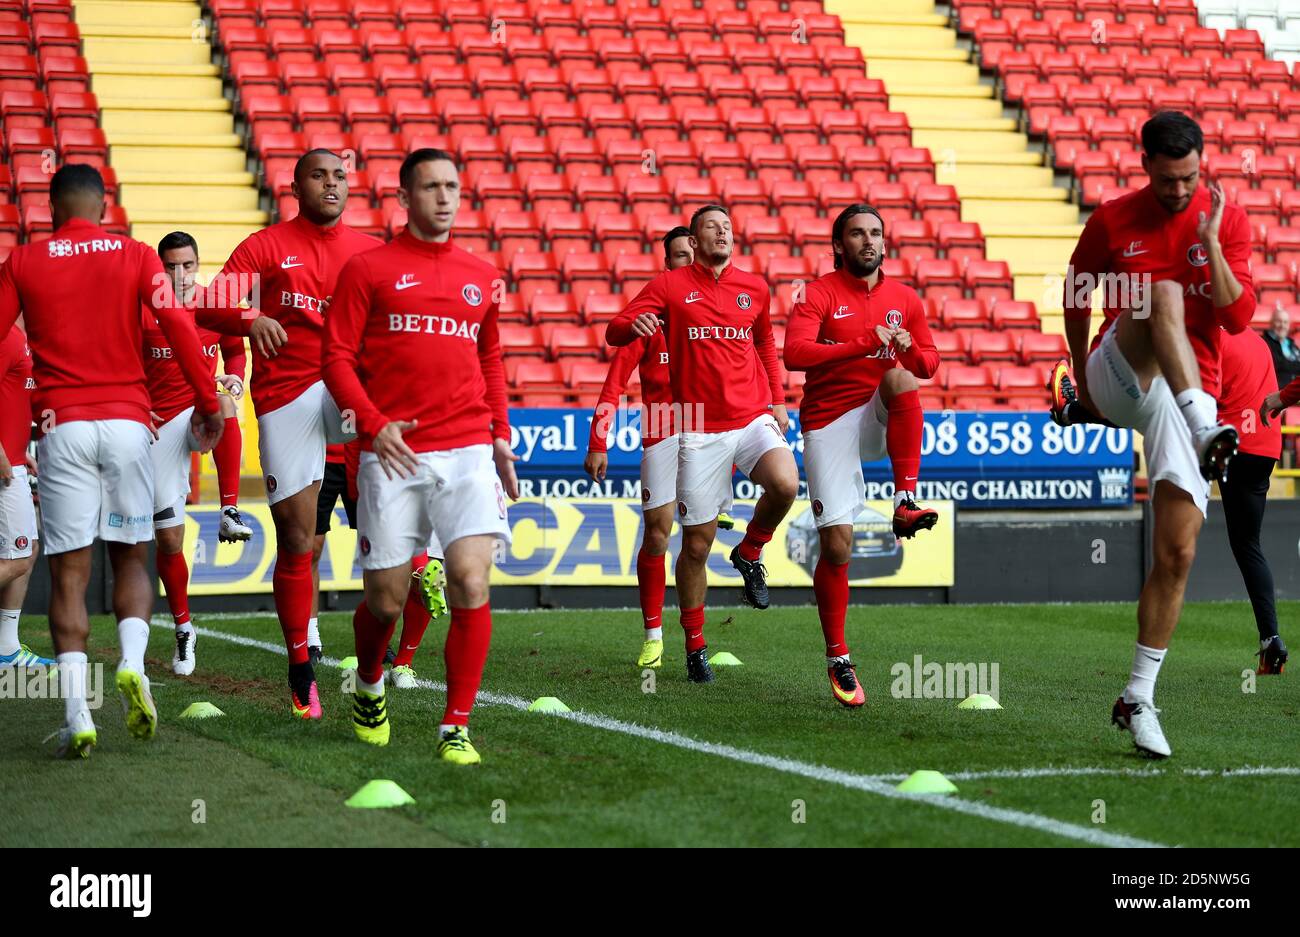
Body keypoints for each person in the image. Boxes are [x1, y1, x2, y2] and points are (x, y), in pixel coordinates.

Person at [0, 164, 226, 758]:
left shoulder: (24, 261)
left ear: (52, 208)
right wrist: (210, 402)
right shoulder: (134, 255)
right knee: (133, 554)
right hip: (130, 423)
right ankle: (132, 664)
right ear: (104, 208)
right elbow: (179, 323)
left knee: (70, 574)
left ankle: (78, 717)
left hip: (61, 426)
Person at [1062, 112, 1254, 758]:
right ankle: (1206, 428)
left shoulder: (1224, 216)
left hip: (1188, 386)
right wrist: (1080, 378)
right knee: (1160, 295)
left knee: (1177, 553)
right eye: (1169, 179)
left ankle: (1137, 697)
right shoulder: (1113, 218)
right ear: (1145, 163)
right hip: (1122, 370)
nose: (1179, 191)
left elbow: (1240, 315)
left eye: (1190, 177)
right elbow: (1075, 291)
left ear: (1203, 164)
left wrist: (1214, 244)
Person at [323, 148, 517, 764]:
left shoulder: (481, 274)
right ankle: (370, 680)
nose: (443, 197)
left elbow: (490, 360)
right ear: (403, 198)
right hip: (395, 455)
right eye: (429, 187)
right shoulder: (368, 269)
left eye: (452, 187)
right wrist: (374, 427)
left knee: (468, 578)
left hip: (467, 449)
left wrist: (501, 437)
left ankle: (455, 725)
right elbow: (336, 359)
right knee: (385, 597)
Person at [197, 149, 380, 719]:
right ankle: (301, 668)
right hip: (288, 396)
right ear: (295, 186)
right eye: (319, 176)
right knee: (298, 539)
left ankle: (385, 659)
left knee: (391, 525)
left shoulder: (371, 252)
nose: (331, 184)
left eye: (339, 176)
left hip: (348, 385)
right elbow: (207, 306)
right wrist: (251, 320)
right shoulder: (264, 247)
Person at [606, 204, 798, 684]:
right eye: (712, 227)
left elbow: (766, 344)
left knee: (786, 484)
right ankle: (695, 644)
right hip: (698, 429)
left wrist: (777, 399)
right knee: (695, 544)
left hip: (752, 415)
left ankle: (751, 550)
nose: (723, 232)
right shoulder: (669, 286)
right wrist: (635, 325)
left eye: (728, 227)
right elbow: (614, 331)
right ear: (693, 240)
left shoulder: (753, 286)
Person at [784, 204, 941, 707]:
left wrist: (909, 346)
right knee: (836, 549)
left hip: (876, 416)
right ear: (838, 245)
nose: (868, 241)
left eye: (875, 233)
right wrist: (856, 344)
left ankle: (906, 500)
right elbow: (794, 354)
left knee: (901, 377)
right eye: (856, 233)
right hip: (828, 421)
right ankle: (838, 656)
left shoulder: (905, 298)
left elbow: (928, 365)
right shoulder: (817, 294)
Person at [585, 225, 733, 669]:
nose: (688, 262)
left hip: (706, 430)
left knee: (698, 546)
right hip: (663, 426)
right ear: (667, 266)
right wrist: (598, 440)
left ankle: (696, 642)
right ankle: (653, 635)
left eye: (694, 254)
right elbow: (615, 384)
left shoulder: (718, 315)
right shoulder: (648, 322)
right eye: (679, 257)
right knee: (657, 533)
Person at [144, 231, 251, 675]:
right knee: (169, 539)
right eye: (170, 266)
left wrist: (235, 378)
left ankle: (230, 510)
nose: (179, 275)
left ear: (198, 265)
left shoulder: (214, 304)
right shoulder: (142, 310)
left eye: (187, 265)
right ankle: (184, 628)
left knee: (224, 404)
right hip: (158, 425)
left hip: (201, 409)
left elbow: (233, 349)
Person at [1210, 329, 1286, 675]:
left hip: (1231, 445)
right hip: (1266, 448)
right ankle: (1271, 639)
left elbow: (1206, 397)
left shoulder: (1214, 340)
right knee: (1249, 544)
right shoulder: (1259, 341)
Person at [0, 320, 51, 669]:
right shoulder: (6, 335)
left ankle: (6, 650)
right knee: (19, 557)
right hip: (4, 465)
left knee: (26, 552)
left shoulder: (24, 336)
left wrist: (20, 449)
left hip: (16, 459)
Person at [1262, 305, 1300, 389]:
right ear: (1271, 323)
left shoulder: (1291, 344)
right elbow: (1278, 365)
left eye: (1285, 322)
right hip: (1277, 393)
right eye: (1279, 321)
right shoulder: (1264, 342)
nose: (1282, 325)